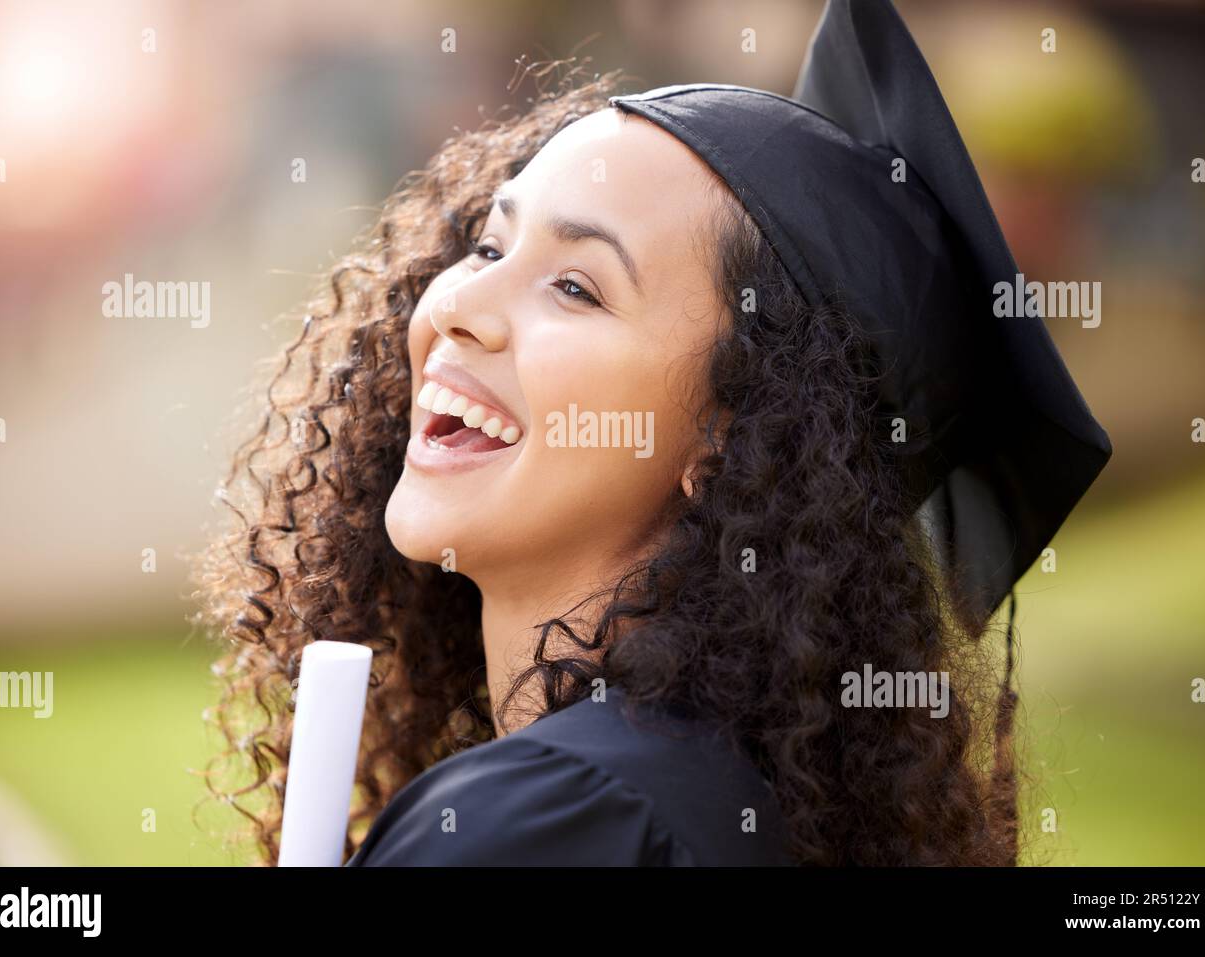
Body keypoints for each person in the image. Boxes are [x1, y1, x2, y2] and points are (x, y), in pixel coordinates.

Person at [190, 0, 1110, 866]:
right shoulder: (720, 801)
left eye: (579, 287)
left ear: (735, 437)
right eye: (490, 246)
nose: (462, 305)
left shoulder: (549, 820)